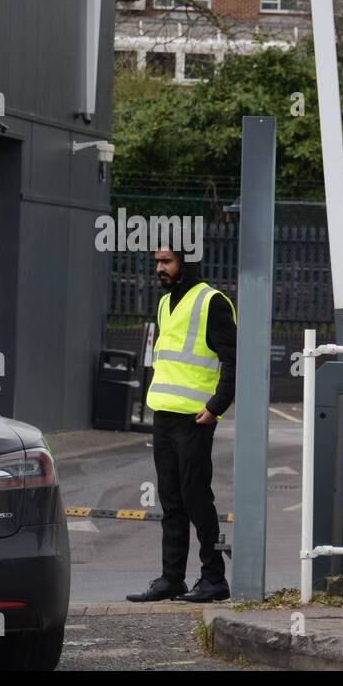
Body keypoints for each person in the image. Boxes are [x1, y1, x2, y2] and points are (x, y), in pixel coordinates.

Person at [126, 248, 236, 603]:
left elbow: (234, 360)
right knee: (171, 501)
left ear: (185, 264)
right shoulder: (164, 304)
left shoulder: (212, 302)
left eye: (166, 262)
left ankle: (214, 578)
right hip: (164, 415)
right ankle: (172, 578)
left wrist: (216, 407)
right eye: (157, 262)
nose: (159, 268)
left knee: (196, 498)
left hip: (194, 418)